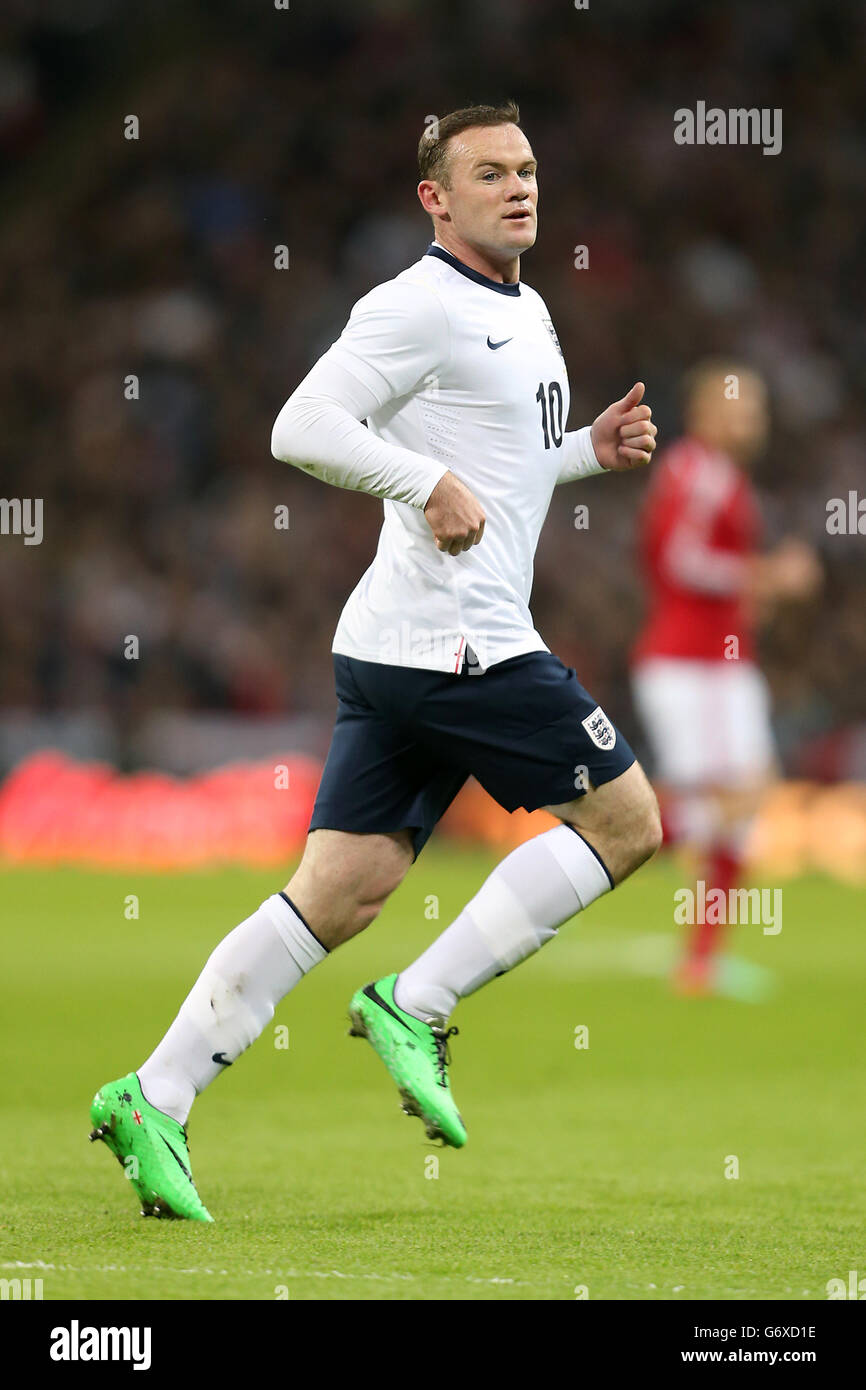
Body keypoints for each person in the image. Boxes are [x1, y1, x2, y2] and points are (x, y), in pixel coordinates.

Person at [90, 101, 660, 1221]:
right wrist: (419, 483)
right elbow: (299, 426)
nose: (518, 186)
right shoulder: (413, 305)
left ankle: (152, 1094)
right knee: (627, 822)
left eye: (528, 168)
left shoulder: (524, 306)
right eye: (488, 172)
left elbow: (497, 466)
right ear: (433, 198)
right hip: (462, 647)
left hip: (396, 645)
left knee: (339, 890)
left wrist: (580, 453)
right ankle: (420, 998)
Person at [630, 361, 821, 998]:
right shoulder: (698, 473)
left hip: (718, 662)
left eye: (757, 409)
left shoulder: (715, 475)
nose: (753, 422)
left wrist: (751, 592)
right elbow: (680, 562)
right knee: (720, 802)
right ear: (709, 414)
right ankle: (596, 829)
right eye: (741, 409)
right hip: (692, 663)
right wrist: (765, 575)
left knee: (739, 806)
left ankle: (702, 962)